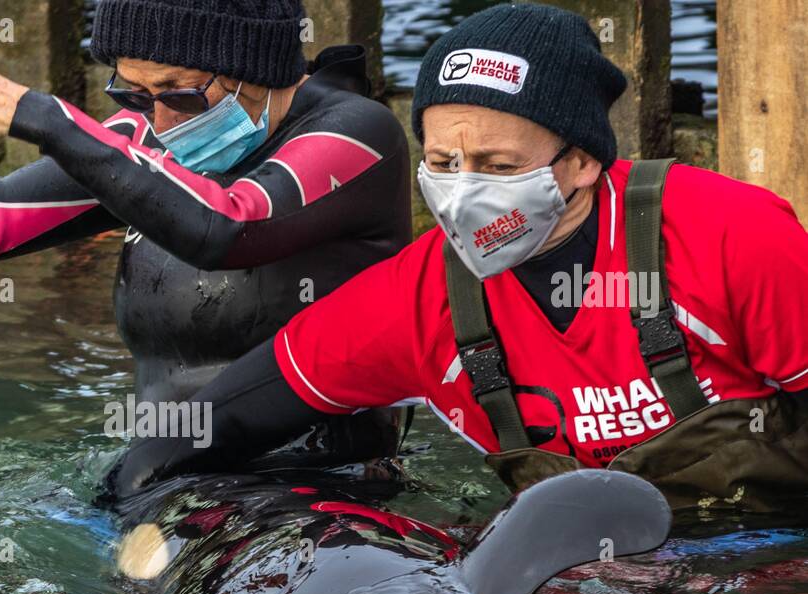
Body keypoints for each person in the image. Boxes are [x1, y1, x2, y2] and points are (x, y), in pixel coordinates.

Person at [108, 2, 808, 512]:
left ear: (584, 161)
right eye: (443, 161)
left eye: (498, 164)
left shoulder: (731, 235)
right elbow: (229, 415)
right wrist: (122, 499)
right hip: (590, 586)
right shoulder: (417, 300)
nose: (465, 188)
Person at [0, 0, 412, 471]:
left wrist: (41, 115)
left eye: (178, 93)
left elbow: (228, 226)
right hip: (161, 473)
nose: (156, 120)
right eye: (132, 93)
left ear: (256, 70)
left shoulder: (356, 134)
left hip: (319, 475)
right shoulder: (146, 137)